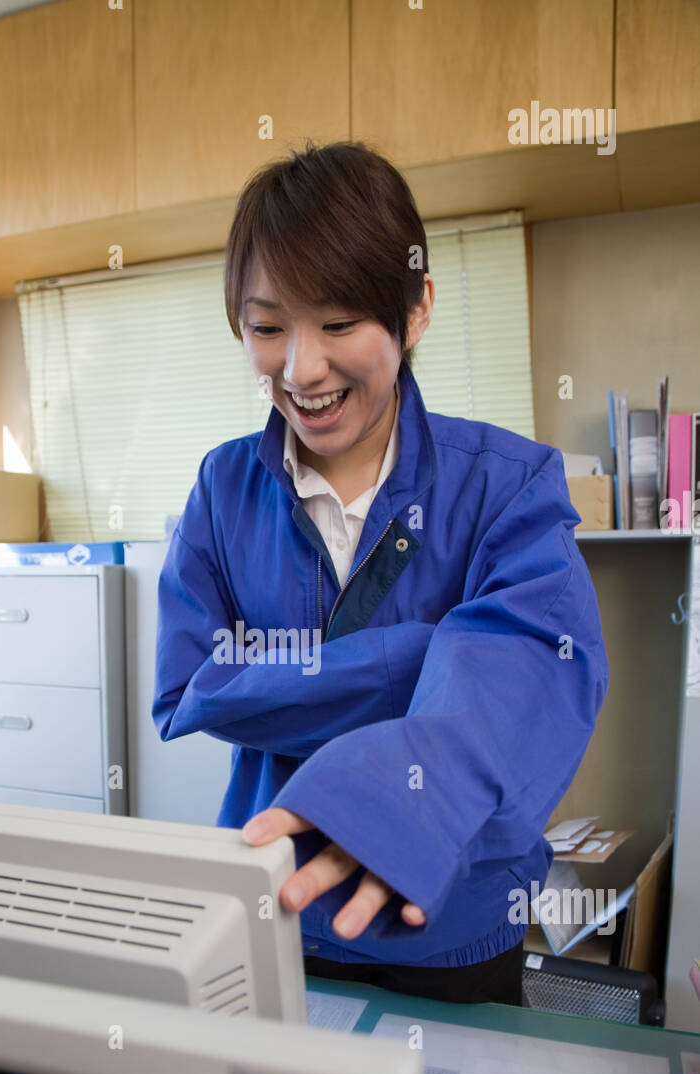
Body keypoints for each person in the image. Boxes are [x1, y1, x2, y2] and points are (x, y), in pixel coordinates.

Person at [152, 139, 609, 1006]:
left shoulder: (508, 483)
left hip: (452, 921)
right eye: (267, 326)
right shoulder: (224, 486)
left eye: (337, 322)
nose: (301, 368)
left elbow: (532, 673)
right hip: (269, 899)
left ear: (416, 309)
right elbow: (190, 689)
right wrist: (431, 657)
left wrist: (393, 788)